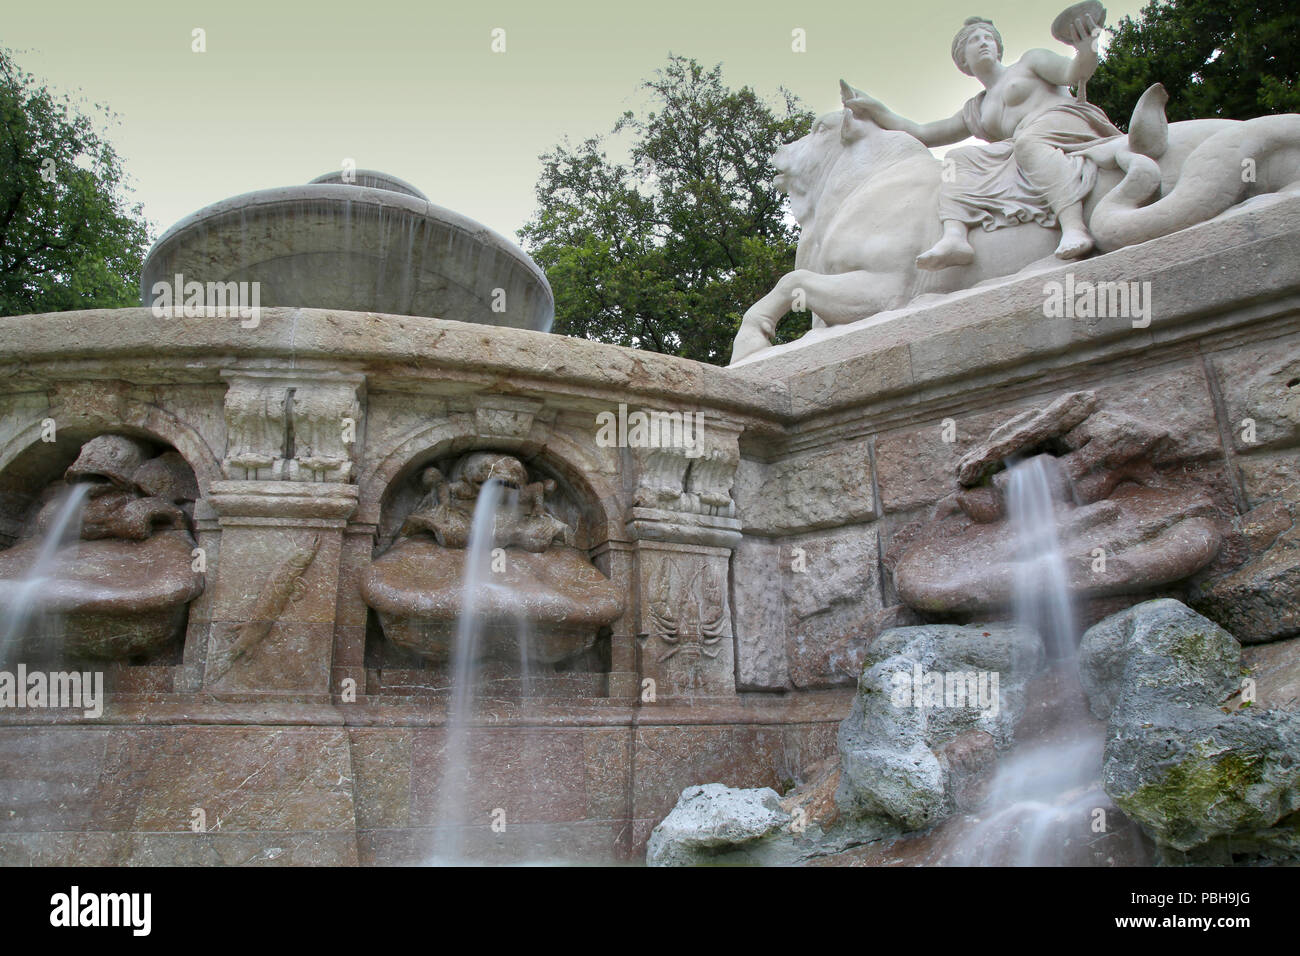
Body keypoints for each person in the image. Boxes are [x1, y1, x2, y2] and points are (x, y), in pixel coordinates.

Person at [843, 12, 1121, 270]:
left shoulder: (1030, 61)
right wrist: (875, 109)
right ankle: (955, 237)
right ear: (963, 59)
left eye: (988, 38)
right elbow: (923, 132)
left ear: (999, 47)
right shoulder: (977, 108)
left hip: (1064, 123)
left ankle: (1073, 226)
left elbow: (1074, 72)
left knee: (1026, 142)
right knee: (957, 160)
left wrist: (1087, 48)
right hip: (1021, 148)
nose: (984, 43)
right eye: (974, 40)